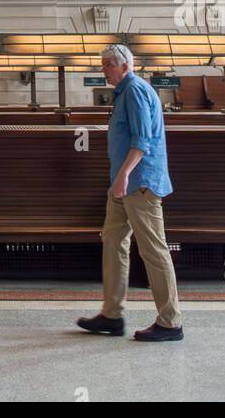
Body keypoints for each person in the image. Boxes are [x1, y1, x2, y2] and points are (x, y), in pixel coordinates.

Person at [77, 45, 183, 342]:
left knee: (153, 249)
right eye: (102, 64)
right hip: (123, 184)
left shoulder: (135, 90)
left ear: (125, 66)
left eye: (109, 64)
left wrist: (123, 176)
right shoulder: (123, 92)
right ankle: (112, 315)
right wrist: (119, 179)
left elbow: (142, 140)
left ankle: (171, 321)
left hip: (140, 183)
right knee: (113, 242)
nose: (104, 69)